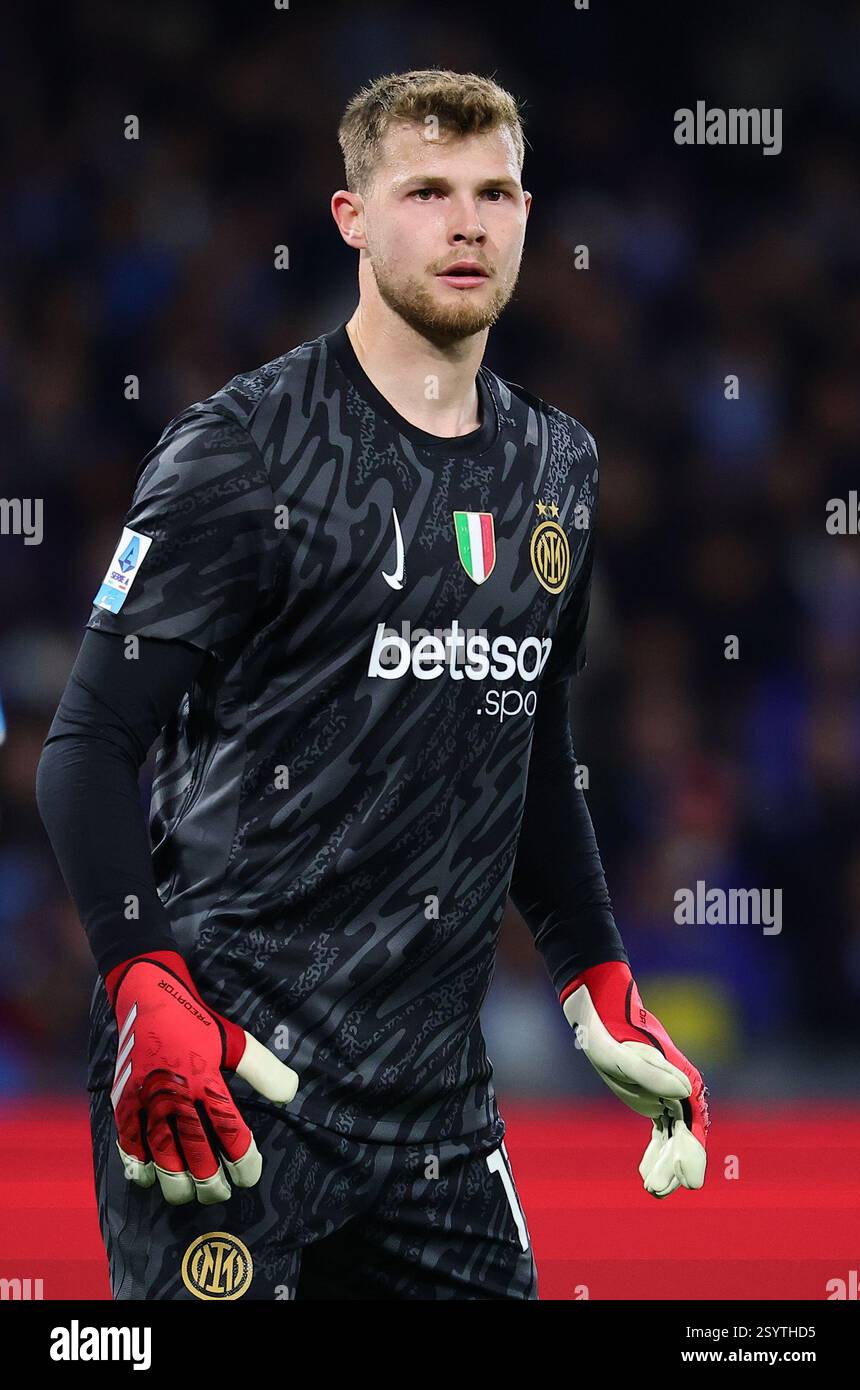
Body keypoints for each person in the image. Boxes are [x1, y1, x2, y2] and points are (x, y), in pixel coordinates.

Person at [36, 67, 709, 1302]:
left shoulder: (558, 466)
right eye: (426, 191)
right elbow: (83, 746)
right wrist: (143, 977)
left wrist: (592, 970)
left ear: (524, 214)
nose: (465, 222)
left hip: (437, 1112)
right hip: (225, 1080)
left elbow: (523, 739)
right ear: (352, 217)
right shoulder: (240, 451)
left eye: (493, 190)